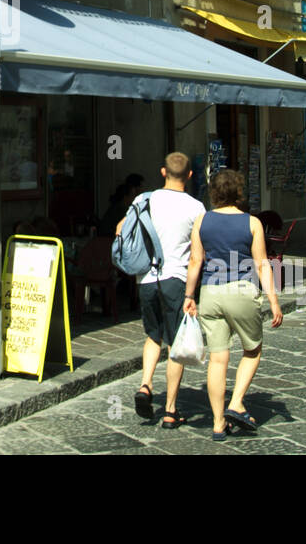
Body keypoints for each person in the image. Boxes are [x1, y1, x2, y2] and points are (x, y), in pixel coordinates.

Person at [183, 168, 283, 441]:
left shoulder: (202, 221)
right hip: (241, 291)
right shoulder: (252, 223)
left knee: (217, 359)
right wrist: (273, 300)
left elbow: (195, 262)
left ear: (213, 192)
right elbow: (262, 264)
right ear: (239, 192)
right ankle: (236, 402)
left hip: (210, 293)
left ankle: (217, 423)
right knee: (253, 348)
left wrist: (189, 296)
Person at [116, 152, 204, 429]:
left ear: (163, 172)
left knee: (153, 335)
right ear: (189, 176)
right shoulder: (196, 207)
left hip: (146, 279)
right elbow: (196, 257)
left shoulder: (144, 200)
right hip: (175, 279)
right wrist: (191, 295)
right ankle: (170, 410)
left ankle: (145, 384)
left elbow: (121, 229)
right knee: (175, 344)